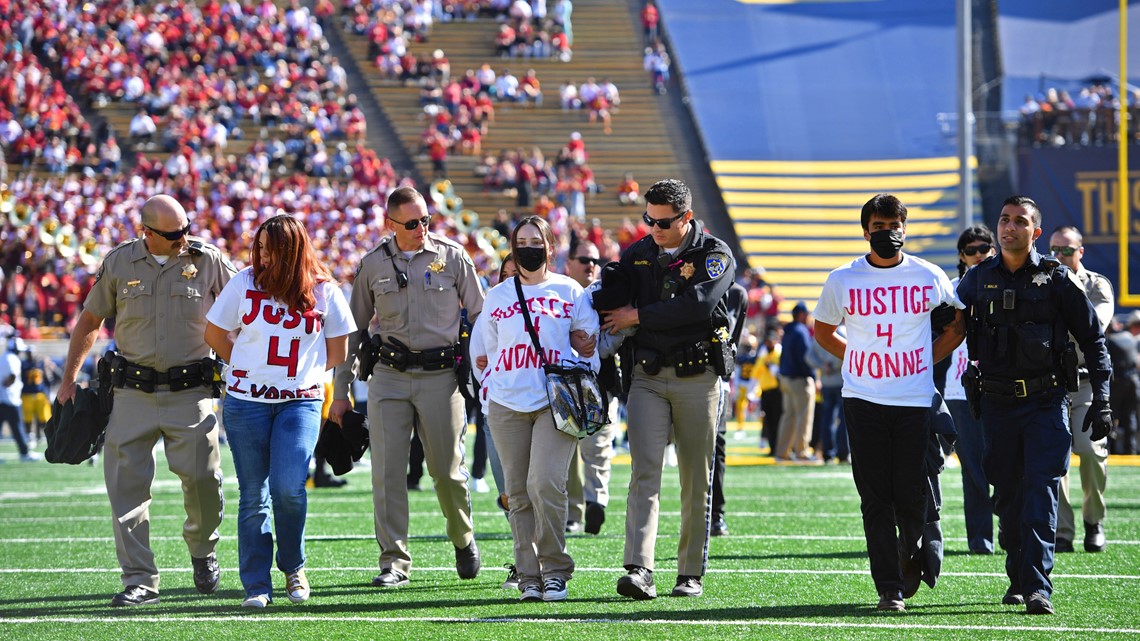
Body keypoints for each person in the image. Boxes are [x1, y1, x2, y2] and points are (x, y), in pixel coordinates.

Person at [57, 194, 235, 607]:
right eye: (173, 234)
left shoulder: (208, 260)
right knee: (126, 489)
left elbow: (246, 307)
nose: (184, 238)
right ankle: (139, 578)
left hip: (190, 392)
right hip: (131, 392)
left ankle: (203, 550)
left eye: (187, 228)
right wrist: (68, 379)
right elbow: (89, 319)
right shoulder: (119, 262)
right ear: (147, 233)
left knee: (204, 481)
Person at [958, 195, 1113, 615]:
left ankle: (1038, 585)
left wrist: (1101, 400)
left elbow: (1093, 341)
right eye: (1004, 220)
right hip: (995, 404)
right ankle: (1018, 576)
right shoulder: (975, 279)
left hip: (1046, 401)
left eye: (1020, 221)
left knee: (1042, 490)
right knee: (1007, 496)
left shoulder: (1057, 278)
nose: (1009, 227)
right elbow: (944, 321)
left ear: (1035, 232)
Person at [813, 193, 965, 612]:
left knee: (912, 491)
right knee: (875, 496)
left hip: (915, 399)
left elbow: (957, 324)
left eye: (894, 225)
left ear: (905, 228)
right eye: (878, 227)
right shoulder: (842, 279)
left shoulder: (929, 274)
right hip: (863, 398)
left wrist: (924, 358)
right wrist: (858, 358)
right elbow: (823, 330)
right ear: (865, 232)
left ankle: (909, 546)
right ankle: (889, 587)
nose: (887, 233)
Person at [329, 186, 485, 588]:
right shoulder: (372, 265)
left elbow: (484, 317)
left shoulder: (453, 257)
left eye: (426, 221)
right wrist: (342, 392)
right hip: (389, 377)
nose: (422, 229)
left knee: (448, 471)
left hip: (440, 378)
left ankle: (462, 536)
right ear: (391, 223)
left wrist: (487, 374)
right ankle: (394, 561)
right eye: (413, 223)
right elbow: (354, 331)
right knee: (387, 473)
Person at [204, 215, 356, 608]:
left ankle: (293, 566)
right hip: (245, 402)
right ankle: (256, 584)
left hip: (299, 401)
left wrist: (299, 377)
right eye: (260, 249)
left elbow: (338, 351)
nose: (263, 257)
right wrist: (245, 367)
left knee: (289, 487)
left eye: (272, 250)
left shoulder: (324, 291)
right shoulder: (243, 281)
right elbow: (214, 333)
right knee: (253, 493)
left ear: (293, 251)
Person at [600, 178, 735, 600]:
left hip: (698, 377)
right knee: (644, 475)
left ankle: (690, 572)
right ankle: (640, 569)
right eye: (649, 220)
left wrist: (636, 315)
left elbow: (696, 306)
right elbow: (610, 298)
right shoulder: (638, 253)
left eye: (664, 222)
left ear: (687, 217)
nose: (655, 229)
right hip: (647, 376)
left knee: (697, 478)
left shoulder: (715, 254)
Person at [471, 215, 599, 602]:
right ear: (513, 247)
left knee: (544, 483)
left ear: (549, 246)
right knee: (517, 492)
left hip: (553, 403)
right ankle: (528, 575)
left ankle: (556, 568)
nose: (528, 247)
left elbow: (590, 347)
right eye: (521, 241)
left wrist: (583, 347)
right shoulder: (497, 296)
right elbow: (482, 351)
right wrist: (491, 388)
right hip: (507, 405)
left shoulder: (570, 290)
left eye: (535, 240)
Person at [1047, 226, 1113, 554]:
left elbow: (1093, 325)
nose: (1059, 257)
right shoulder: (1042, 280)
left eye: (1067, 251)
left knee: (1090, 452)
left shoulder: (1097, 284)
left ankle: (1093, 520)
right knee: (1053, 456)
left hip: (1086, 383)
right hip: (1053, 382)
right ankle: (1063, 530)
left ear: (1080, 252)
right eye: (1054, 250)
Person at [944, 225, 997, 555]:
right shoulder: (949, 290)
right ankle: (980, 540)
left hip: (1003, 386)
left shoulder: (1008, 283)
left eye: (984, 248)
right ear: (962, 256)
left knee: (1010, 465)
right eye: (971, 249)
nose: (979, 254)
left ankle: (1011, 526)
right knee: (973, 469)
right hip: (959, 389)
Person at [562, 239, 617, 535]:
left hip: (601, 383)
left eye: (595, 261)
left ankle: (596, 502)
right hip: (564, 385)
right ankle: (574, 512)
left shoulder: (606, 294)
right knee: (568, 452)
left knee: (598, 447)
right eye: (584, 260)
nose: (591, 266)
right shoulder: (556, 292)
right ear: (568, 263)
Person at [775, 302, 815, 461]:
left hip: (786, 378)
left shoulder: (789, 331)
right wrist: (813, 376)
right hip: (799, 379)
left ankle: (782, 451)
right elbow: (806, 359)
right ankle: (802, 451)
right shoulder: (800, 332)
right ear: (801, 314)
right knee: (803, 416)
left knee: (788, 416)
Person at [0, 340, 39, 462]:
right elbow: (12, 376)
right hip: (10, 399)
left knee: (15, 427)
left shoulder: (4, 357)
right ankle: (24, 453)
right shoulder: (12, 359)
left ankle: (24, 452)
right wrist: (6, 385)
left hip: (4, 398)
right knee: (17, 427)